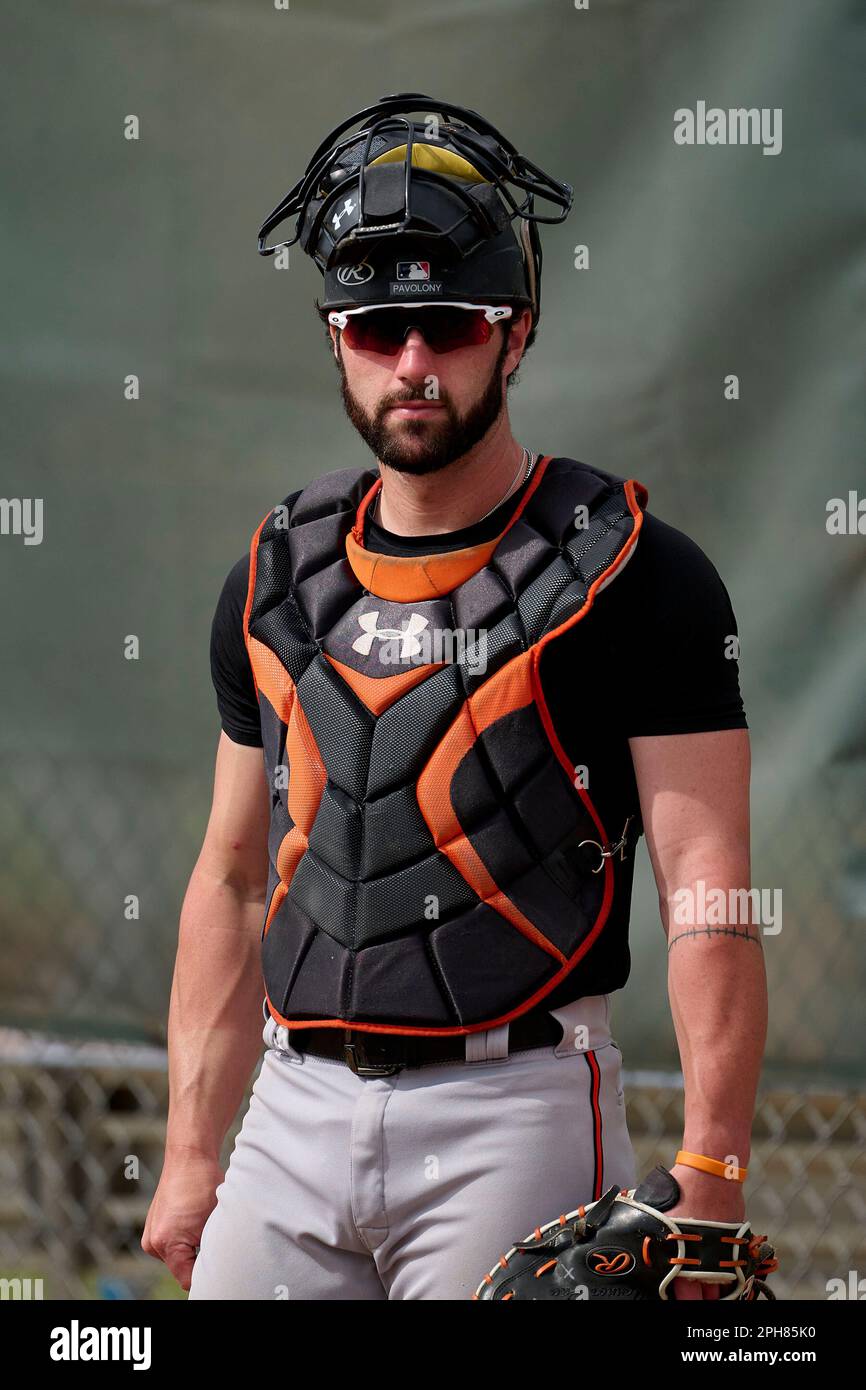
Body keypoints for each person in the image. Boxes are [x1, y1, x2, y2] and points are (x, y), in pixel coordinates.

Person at [142, 95, 767, 1301]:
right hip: (291, 1106)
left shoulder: (633, 574)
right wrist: (185, 1155)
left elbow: (711, 893)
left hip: (514, 1109)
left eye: (449, 322)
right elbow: (228, 878)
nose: (413, 362)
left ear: (515, 331)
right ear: (335, 336)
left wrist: (714, 1168)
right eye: (378, 327)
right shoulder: (276, 576)